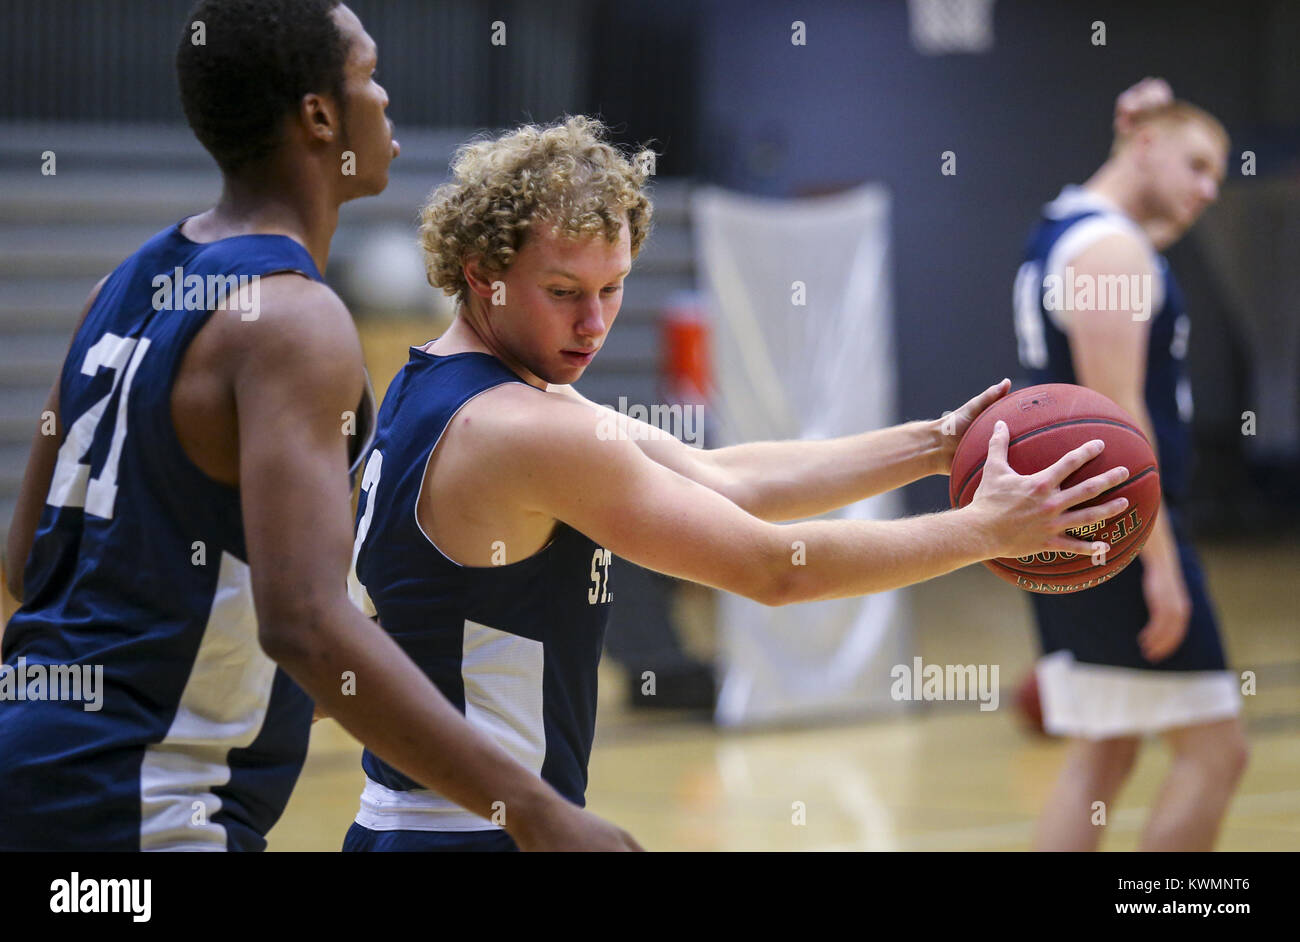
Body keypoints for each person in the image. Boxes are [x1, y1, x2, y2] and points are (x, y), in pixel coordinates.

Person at [342, 115, 1132, 851]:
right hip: (467, 832)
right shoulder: (522, 428)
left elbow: (720, 478)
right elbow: (774, 570)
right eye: (564, 293)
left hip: (414, 822)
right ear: (483, 275)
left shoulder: (451, 386)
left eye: (612, 287)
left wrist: (931, 446)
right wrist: (985, 531)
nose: (594, 323)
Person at [0, 0, 639, 852]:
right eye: (368, 76)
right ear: (318, 117)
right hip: (143, 805)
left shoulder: (123, 286)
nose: (384, 99)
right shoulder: (295, 322)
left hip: (34, 766)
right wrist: (536, 812)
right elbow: (300, 623)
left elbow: (25, 563)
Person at [1012, 78, 1248, 850]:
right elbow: (1120, 415)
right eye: (1199, 166)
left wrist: (1146, 147)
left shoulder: (1068, 228)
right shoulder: (1109, 248)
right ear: (1146, 145)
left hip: (1076, 523)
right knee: (1217, 752)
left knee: (1105, 750)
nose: (1210, 190)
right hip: (1116, 524)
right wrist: (1162, 561)